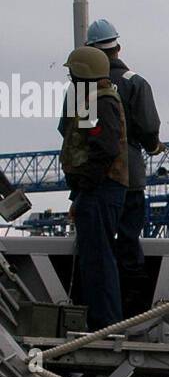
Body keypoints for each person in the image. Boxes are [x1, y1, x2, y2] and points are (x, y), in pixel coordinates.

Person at [86, 19, 163, 315]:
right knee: (129, 240)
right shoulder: (136, 81)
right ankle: (135, 308)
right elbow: (148, 127)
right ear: (118, 46)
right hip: (130, 176)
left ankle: (102, 312)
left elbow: (80, 135)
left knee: (98, 246)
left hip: (97, 180)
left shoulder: (85, 88)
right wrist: (154, 146)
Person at [59, 45, 128, 330]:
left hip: (101, 190)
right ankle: (99, 322)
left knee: (99, 260)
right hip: (93, 191)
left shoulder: (102, 103)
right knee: (93, 259)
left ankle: (106, 324)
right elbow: (85, 143)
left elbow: (103, 149)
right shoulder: (90, 100)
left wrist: (85, 186)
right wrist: (79, 195)